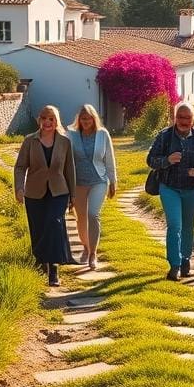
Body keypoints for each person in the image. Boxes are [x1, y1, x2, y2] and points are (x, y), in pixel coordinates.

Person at [146, 102, 194, 280]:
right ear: (175, 118)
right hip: (169, 188)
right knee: (175, 225)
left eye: (188, 117)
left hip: (192, 189)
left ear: (193, 119)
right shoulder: (165, 136)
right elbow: (151, 160)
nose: (184, 121)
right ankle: (174, 266)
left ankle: (186, 262)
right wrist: (167, 160)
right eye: (181, 117)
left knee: (188, 226)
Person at [14, 104, 77, 287]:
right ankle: (41, 260)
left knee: (54, 224)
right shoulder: (29, 141)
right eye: (44, 118)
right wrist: (19, 188)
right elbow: (20, 167)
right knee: (38, 228)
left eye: (51, 119)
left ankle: (53, 270)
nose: (47, 122)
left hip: (59, 191)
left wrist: (73, 195)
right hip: (34, 192)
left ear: (57, 121)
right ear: (39, 120)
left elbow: (70, 170)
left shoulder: (64, 142)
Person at [67, 104, 117, 270]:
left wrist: (113, 181)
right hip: (78, 183)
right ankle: (86, 247)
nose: (86, 121)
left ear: (94, 119)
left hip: (98, 181)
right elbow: (66, 157)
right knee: (81, 217)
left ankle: (93, 254)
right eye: (83, 118)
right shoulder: (72, 135)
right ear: (79, 119)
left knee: (92, 214)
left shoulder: (102, 134)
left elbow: (109, 159)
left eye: (88, 118)